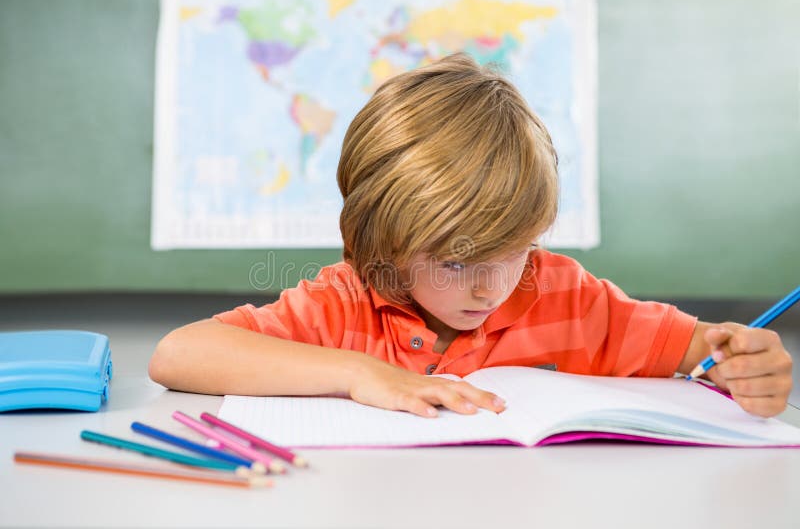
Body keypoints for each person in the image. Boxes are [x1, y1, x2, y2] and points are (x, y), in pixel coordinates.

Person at [149, 53, 792, 419]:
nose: (490, 287)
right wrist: (358, 373)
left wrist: (742, 361)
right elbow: (178, 354)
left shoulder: (565, 295)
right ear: (385, 242)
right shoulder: (346, 301)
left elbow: (700, 353)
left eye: (513, 252)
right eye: (456, 263)